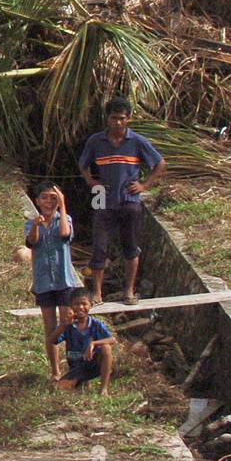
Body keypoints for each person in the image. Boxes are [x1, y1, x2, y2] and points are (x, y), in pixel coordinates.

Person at [78, 98, 167, 305]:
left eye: (122, 119)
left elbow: (160, 163)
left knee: (131, 247)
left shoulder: (136, 141)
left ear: (128, 119)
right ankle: (97, 294)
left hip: (129, 199)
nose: (117, 123)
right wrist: (91, 181)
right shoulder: (96, 141)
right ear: (107, 119)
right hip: (102, 198)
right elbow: (83, 164)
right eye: (114, 118)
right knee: (99, 246)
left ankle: (129, 291)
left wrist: (144, 185)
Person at [25, 181, 78, 380]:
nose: (49, 202)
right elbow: (32, 242)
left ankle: (73, 367)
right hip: (44, 282)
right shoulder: (31, 223)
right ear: (37, 201)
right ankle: (55, 371)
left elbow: (64, 234)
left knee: (67, 323)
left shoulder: (65, 219)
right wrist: (37, 225)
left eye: (53, 198)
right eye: (45, 198)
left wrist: (62, 207)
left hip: (64, 281)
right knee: (50, 327)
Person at [51, 288, 116, 395]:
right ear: (71, 306)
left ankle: (103, 389)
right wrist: (63, 325)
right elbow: (52, 340)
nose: (80, 307)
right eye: (76, 304)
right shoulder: (68, 326)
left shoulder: (95, 324)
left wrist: (93, 343)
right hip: (77, 368)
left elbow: (112, 339)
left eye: (84, 304)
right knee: (58, 388)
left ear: (90, 305)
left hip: (93, 364)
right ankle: (81, 381)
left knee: (106, 347)